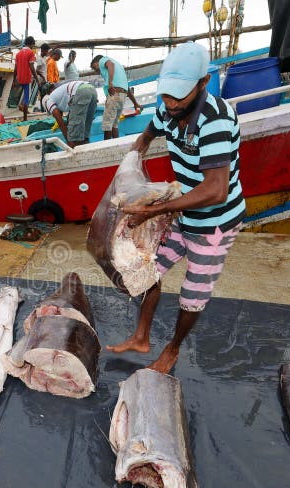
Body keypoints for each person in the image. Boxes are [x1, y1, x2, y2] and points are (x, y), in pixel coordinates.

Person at [106, 42, 246, 375]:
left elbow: (215, 190)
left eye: (178, 97)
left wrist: (153, 212)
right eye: (165, 95)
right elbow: (144, 138)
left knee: (192, 295)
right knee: (146, 271)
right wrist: (130, 167)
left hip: (216, 224)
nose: (170, 104)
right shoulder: (167, 110)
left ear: (203, 84)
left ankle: (172, 350)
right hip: (185, 214)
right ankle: (142, 336)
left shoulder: (216, 120)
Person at [41, 80, 98, 148]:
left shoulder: (48, 101)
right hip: (91, 88)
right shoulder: (59, 95)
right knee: (85, 131)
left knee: (74, 136)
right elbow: (72, 113)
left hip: (80, 91)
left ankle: (78, 154)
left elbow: (60, 122)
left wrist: (69, 140)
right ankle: (87, 150)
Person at [90, 54, 130, 140]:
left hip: (114, 94)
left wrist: (110, 82)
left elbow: (110, 64)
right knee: (114, 124)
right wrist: (135, 103)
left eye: (95, 67)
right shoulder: (119, 66)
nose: (96, 70)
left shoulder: (103, 60)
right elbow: (127, 86)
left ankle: (106, 147)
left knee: (107, 125)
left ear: (97, 62)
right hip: (122, 95)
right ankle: (117, 144)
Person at [14, 36, 40, 121]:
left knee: (21, 98)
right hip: (27, 79)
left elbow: (15, 68)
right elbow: (32, 67)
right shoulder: (31, 53)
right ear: (32, 44)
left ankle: (20, 109)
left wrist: (14, 79)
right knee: (26, 99)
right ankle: (25, 119)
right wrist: (37, 79)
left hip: (19, 79)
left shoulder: (18, 54)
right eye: (33, 44)